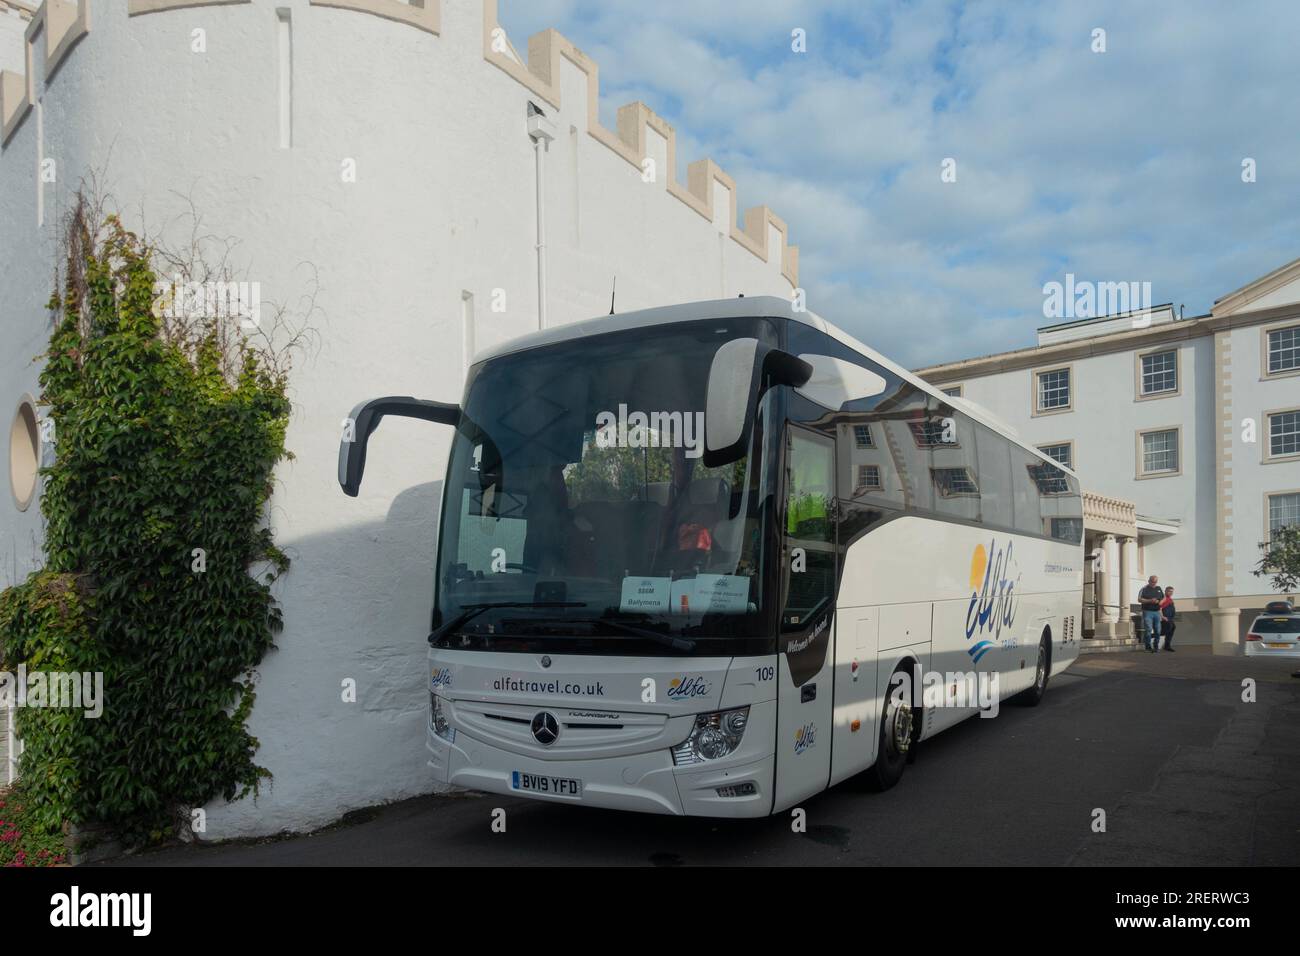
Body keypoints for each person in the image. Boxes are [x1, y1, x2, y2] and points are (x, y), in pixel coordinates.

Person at [1138, 575, 1164, 653]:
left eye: (1155, 582)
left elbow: (1163, 599)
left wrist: (1158, 602)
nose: (1154, 583)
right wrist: (1150, 601)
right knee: (1148, 629)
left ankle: (1156, 646)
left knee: (1158, 630)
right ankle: (1148, 647)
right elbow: (1139, 599)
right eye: (1152, 581)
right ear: (1149, 581)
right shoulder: (1144, 589)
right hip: (1147, 612)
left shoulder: (1159, 589)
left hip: (1157, 612)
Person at [1159, 586, 1176, 651]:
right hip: (1165, 619)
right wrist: (1162, 617)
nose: (1171, 593)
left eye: (1172, 592)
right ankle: (1149, 636)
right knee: (1164, 632)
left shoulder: (1170, 599)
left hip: (1170, 619)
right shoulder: (1164, 598)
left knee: (1172, 628)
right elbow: (1159, 608)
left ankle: (1167, 646)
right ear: (1166, 591)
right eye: (1169, 591)